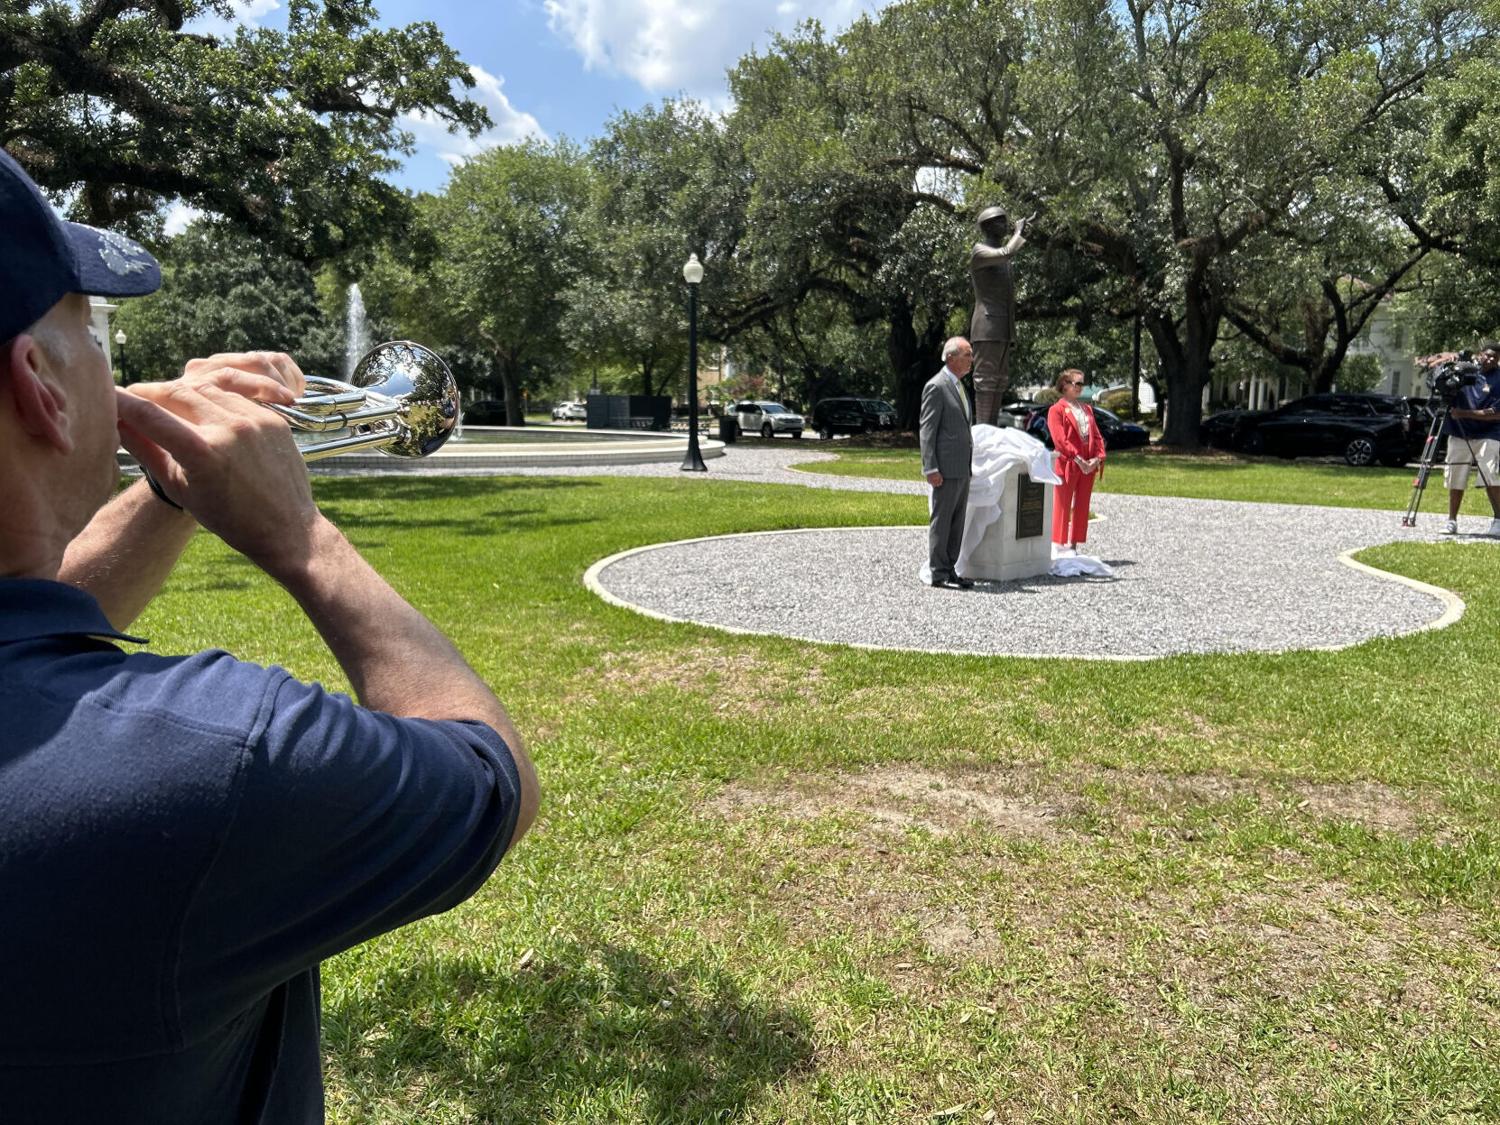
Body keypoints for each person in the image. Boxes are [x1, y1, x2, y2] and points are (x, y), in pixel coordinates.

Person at [0, 147, 539, 1122]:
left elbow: (28, 643)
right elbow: (492, 782)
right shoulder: (210, 758)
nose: (113, 364)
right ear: (39, 381)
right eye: (95, 332)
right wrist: (303, 539)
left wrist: (171, 489)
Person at [920, 336, 975, 588]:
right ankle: (938, 572)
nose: (971, 359)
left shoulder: (959, 386)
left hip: (961, 467)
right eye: (967, 354)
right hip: (944, 468)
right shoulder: (936, 386)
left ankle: (950, 568)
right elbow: (927, 431)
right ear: (951, 358)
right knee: (942, 521)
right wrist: (930, 467)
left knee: (957, 522)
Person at [968, 205, 1030, 426]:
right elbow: (1006, 252)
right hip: (987, 326)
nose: (1005, 225)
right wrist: (1018, 233)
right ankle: (983, 432)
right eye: (1000, 221)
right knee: (985, 381)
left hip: (1003, 327)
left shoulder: (1002, 259)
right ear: (987, 226)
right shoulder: (980, 251)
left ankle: (991, 430)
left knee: (999, 381)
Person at [1433, 343, 1500, 537]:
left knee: (1490, 474)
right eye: (1488, 355)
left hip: (1489, 433)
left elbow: (1496, 414)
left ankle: (1498, 520)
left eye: (1496, 357)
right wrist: (1447, 370)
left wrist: (1463, 413)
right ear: (1480, 354)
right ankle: (1451, 521)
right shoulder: (1464, 371)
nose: (1491, 359)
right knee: (1455, 475)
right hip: (1459, 432)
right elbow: (1439, 385)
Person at [1047, 368, 1106, 555]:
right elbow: (1060, 440)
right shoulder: (1056, 410)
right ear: (1065, 385)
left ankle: (1074, 545)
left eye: (1082, 383)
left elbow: (1097, 436)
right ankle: (1059, 546)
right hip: (1068, 464)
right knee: (1062, 504)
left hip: (1088, 465)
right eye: (1077, 383)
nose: (1081, 387)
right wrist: (1079, 459)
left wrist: (1097, 458)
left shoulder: (1087, 409)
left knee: (1082, 505)